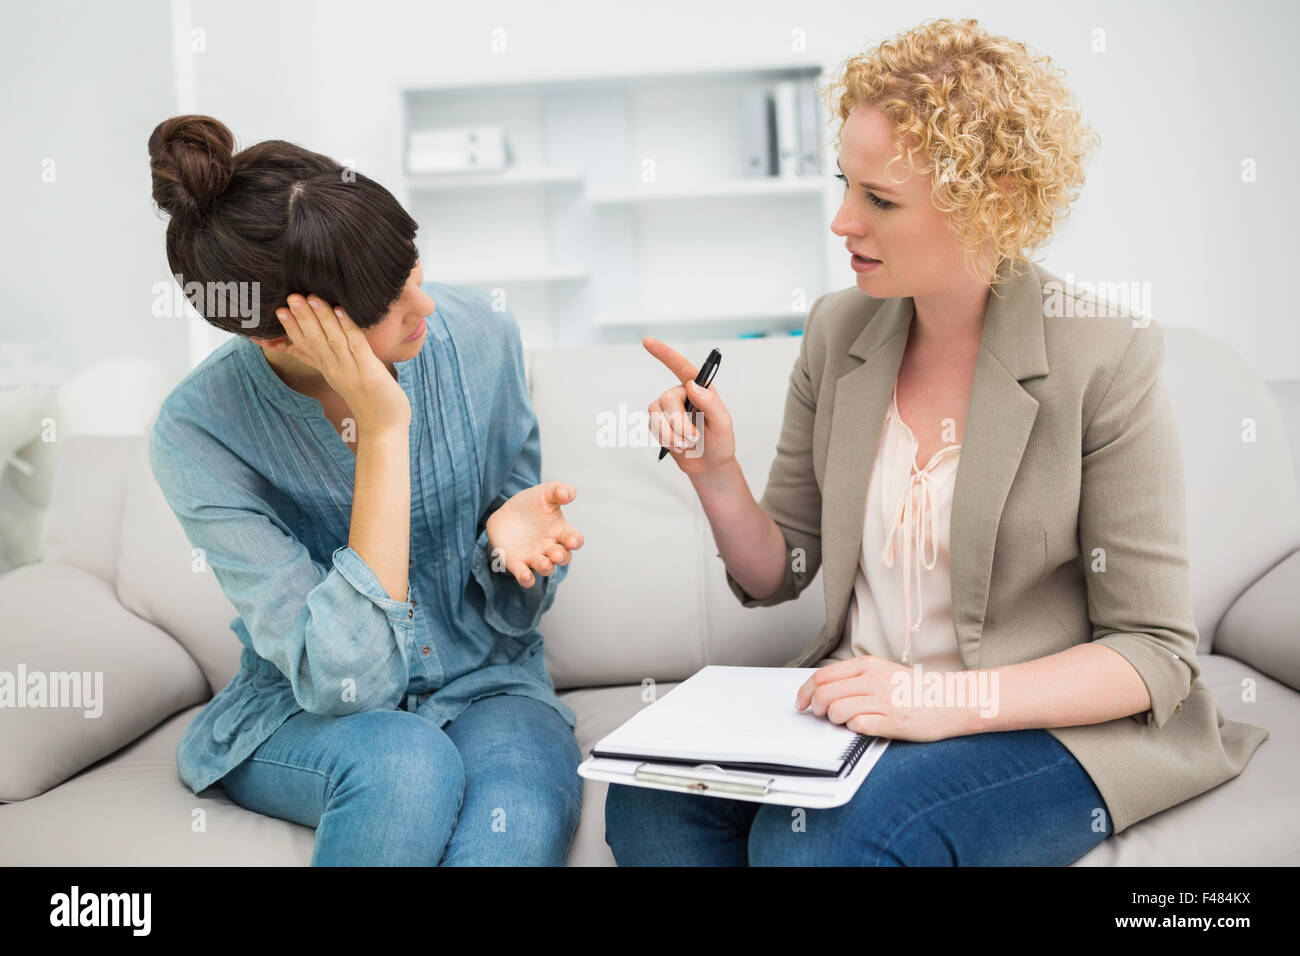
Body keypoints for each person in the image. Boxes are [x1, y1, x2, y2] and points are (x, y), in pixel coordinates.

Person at [607, 17, 1268, 866]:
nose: (843, 221)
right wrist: (717, 476)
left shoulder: (1104, 355)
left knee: (812, 853)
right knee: (651, 810)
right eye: (844, 185)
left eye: (879, 199)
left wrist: (942, 699)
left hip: (1040, 723)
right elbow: (785, 573)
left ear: (987, 200)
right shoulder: (838, 329)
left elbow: (1154, 652)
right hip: (865, 710)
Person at [146, 114, 585, 866]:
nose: (428, 306)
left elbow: (520, 585)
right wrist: (383, 436)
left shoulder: (482, 333)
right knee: (406, 763)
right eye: (389, 300)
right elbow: (346, 682)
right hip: (304, 714)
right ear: (284, 335)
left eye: (412, 265)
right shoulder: (199, 432)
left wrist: (510, 549)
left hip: (489, 687)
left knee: (515, 823)